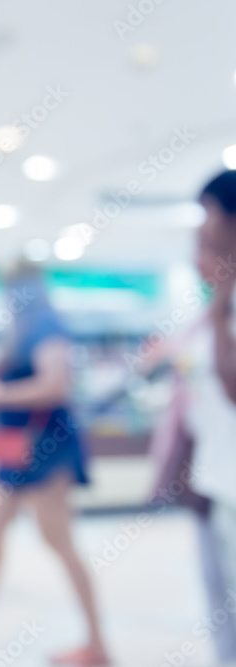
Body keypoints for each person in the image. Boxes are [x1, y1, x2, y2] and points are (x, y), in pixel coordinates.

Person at [0, 261, 109, 666]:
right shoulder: (24, 329)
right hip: (17, 451)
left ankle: (97, 645)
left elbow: (55, 385)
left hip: (46, 449)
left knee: (58, 539)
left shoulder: (46, 326)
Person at [178, 170, 236, 664]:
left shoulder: (224, 302)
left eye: (209, 214)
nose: (203, 227)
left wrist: (221, 296)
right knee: (223, 616)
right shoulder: (219, 303)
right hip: (216, 483)